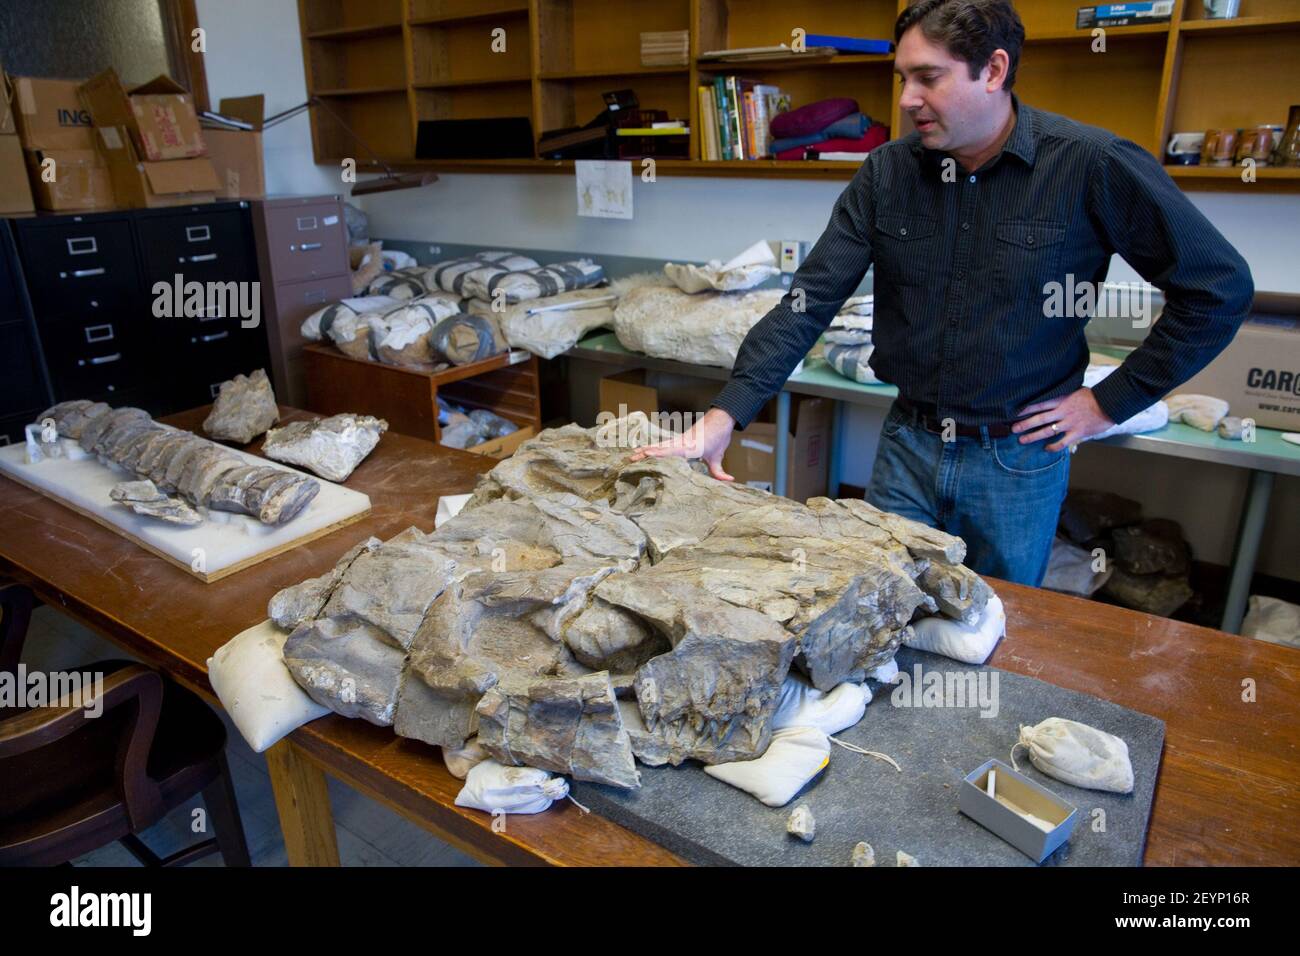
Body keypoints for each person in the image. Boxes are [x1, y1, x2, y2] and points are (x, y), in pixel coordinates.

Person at [631, 0, 1253, 586]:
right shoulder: (888, 172)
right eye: (902, 78)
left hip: (1018, 458)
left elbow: (1217, 290)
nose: (907, 100)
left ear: (995, 70)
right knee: (878, 614)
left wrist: (1106, 404)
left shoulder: (1090, 164)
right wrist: (723, 416)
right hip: (908, 441)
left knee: (999, 627)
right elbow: (808, 301)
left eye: (928, 78)